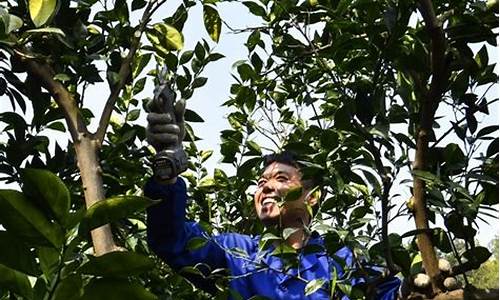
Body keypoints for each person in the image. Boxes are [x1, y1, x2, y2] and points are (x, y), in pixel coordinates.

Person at [144, 97, 400, 299]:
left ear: (312, 198)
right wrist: (167, 172)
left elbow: (388, 294)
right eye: (261, 183)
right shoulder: (238, 254)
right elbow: (172, 239)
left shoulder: (342, 259)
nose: (265, 188)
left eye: (282, 179)